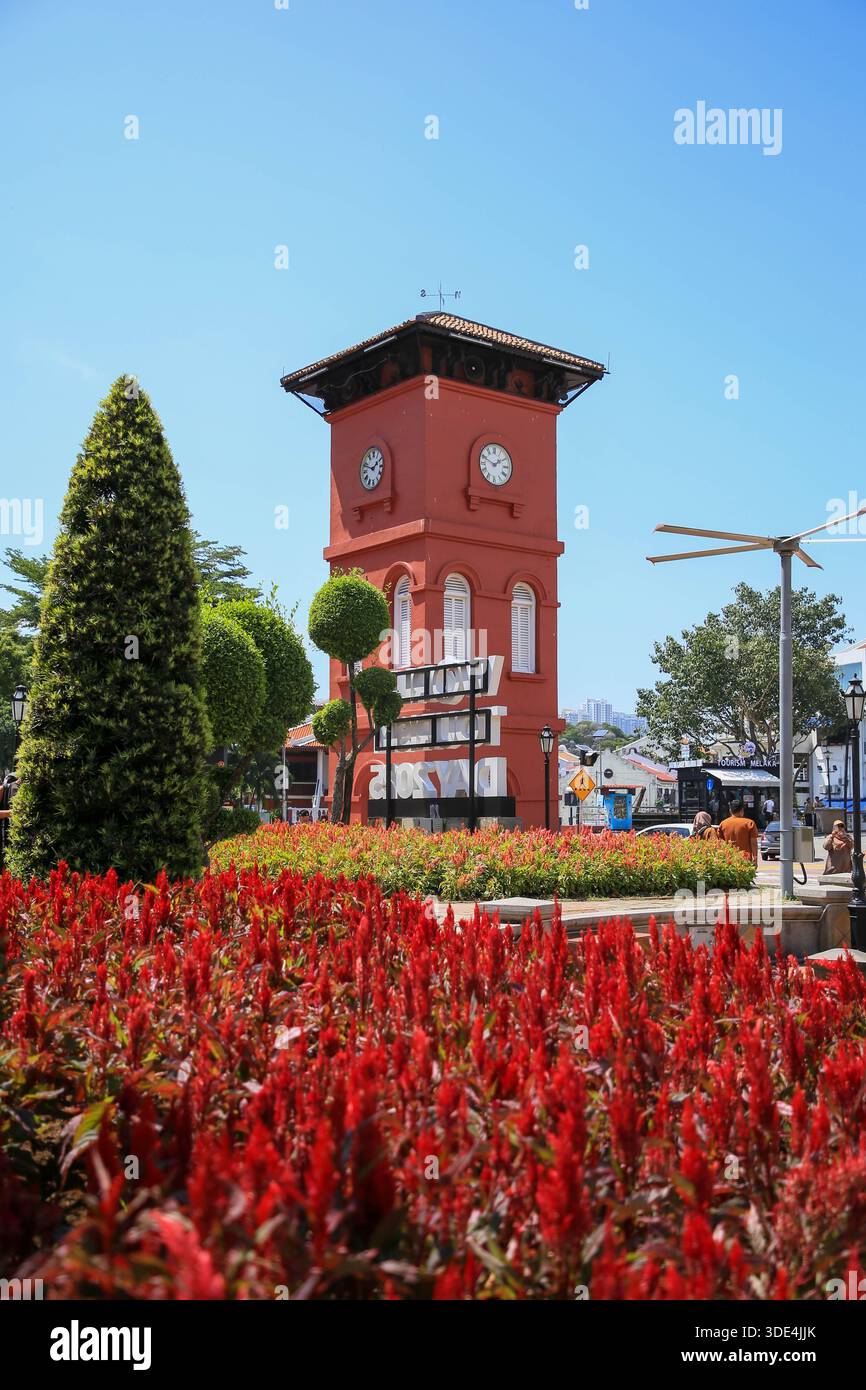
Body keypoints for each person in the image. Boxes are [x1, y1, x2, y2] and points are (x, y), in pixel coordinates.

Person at [718, 798, 759, 865]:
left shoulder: (723, 824)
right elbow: (753, 843)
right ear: (742, 810)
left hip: (729, 859)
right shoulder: (749, 823)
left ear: (730, 811)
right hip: (745, 860)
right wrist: (755, 859)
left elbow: (720, 843)